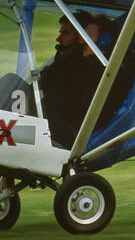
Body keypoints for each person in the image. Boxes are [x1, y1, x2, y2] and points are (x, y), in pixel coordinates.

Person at [39, 11, 105, 148]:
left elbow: (69, 106)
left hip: (70, 134)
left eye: (65, 33)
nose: (58, 39)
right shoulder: (60, 66)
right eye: (60, 32)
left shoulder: (89, 71)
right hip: (50, 123)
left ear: (80, 39)